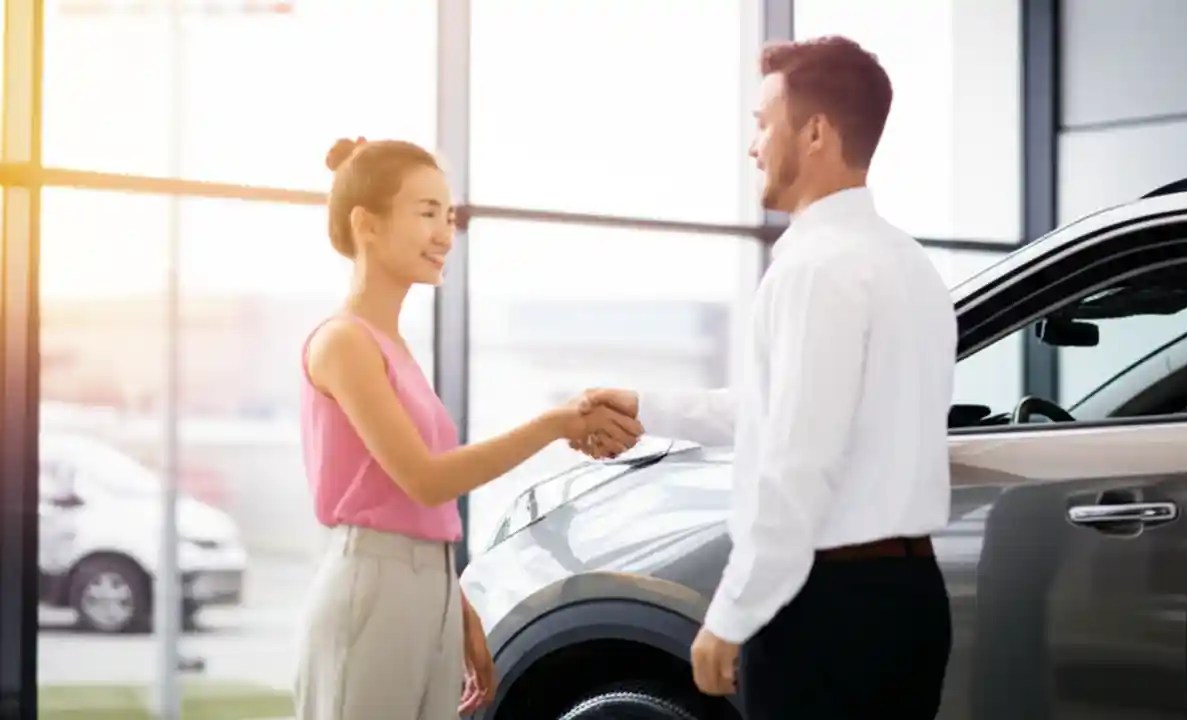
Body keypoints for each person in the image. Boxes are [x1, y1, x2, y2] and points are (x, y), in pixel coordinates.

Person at [576, 36, 956, 718]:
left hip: (826, 612)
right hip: (909, 600)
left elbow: (797, 461)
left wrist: (731, 613)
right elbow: (785, 411)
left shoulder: (817, 267)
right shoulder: (909, 264)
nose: (752, 146)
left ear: (814, 132)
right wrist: (647, 406)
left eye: (761, 123)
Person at [294, 137, 643, 720]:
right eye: (426, 212)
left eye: (448, 215)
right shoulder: (343, 342)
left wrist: (454, 606)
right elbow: (425, 481)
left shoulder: (392, 348)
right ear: (367, 225)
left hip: (423, 588)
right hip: (369, 591)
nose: (443, 233)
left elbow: (414, 509)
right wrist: (556, 424)